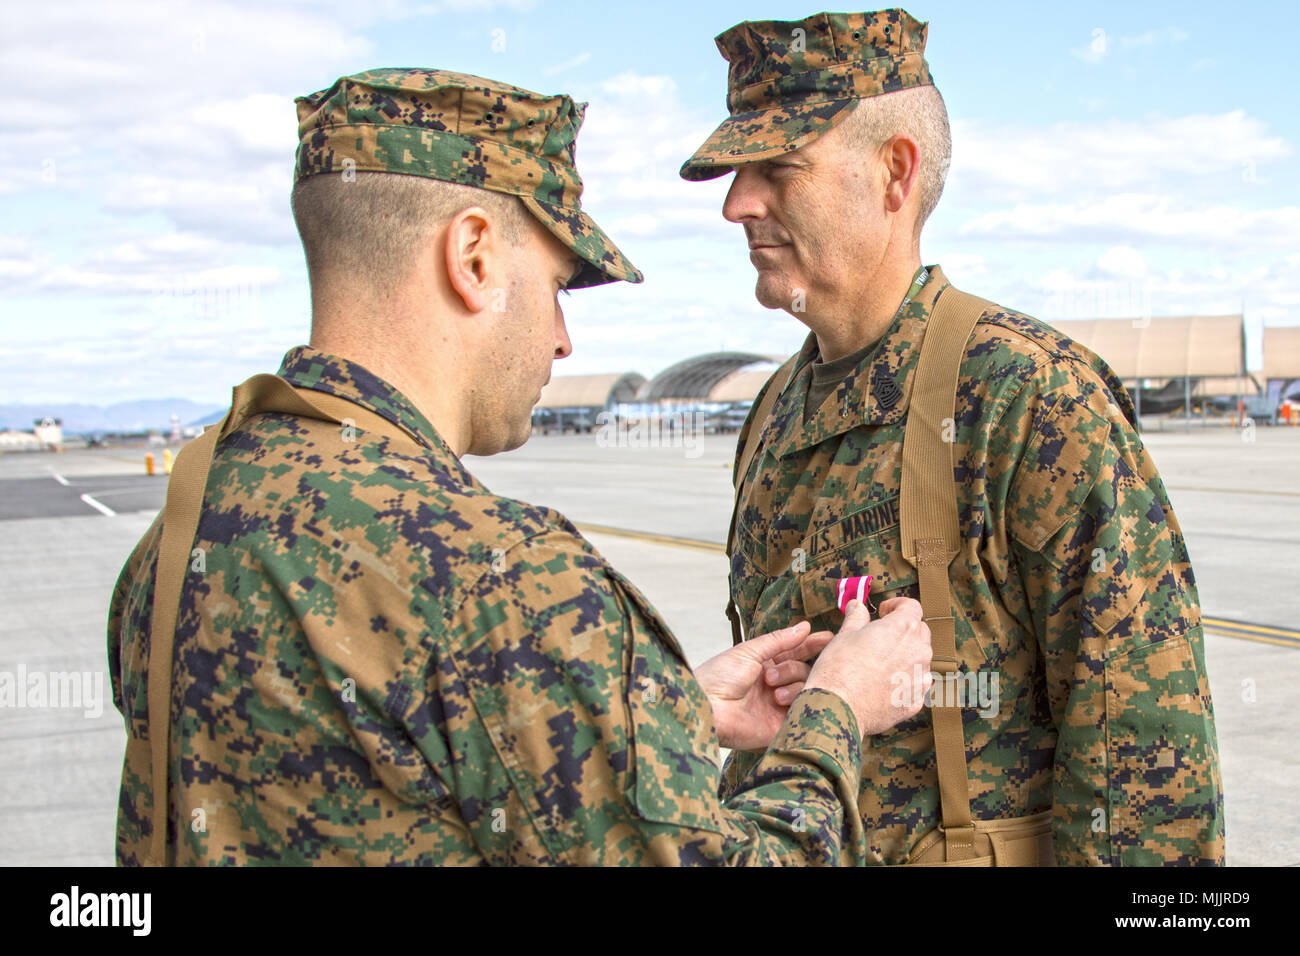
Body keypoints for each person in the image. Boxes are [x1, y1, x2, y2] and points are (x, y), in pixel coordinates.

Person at [107, 67, 934, 866]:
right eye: (557, 283)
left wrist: (661, 707)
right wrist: (835, 712)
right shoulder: (500, 577)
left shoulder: (193, 526)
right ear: (472, 258)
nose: (563, 339)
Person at [680, 9, 1224, 865]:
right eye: (738, 172)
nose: (737, 203)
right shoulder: (776, 406)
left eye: (777, 168)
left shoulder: (1027, 398)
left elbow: (1143, 758)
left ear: (894, 173)